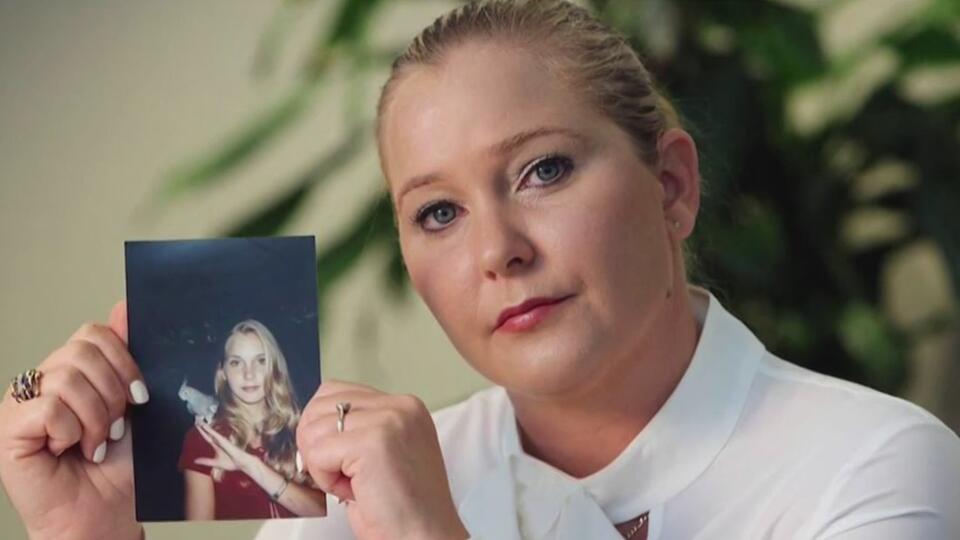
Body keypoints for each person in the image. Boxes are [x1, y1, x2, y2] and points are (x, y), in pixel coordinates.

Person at [1, 1, 958, 539]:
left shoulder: (874, 470)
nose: (497, 251)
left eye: (543, 170)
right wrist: (88, 536)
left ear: (671, 187)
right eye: (439, 213)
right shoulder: (332, 514)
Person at [178, 319, 326, 520]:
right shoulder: (204, 439)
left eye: (261, 360)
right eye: (236, 362)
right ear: (223, 373)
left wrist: (253, 467)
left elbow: (326, 512)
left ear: (275, 367)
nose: (249, 374)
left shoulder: (301, 428)